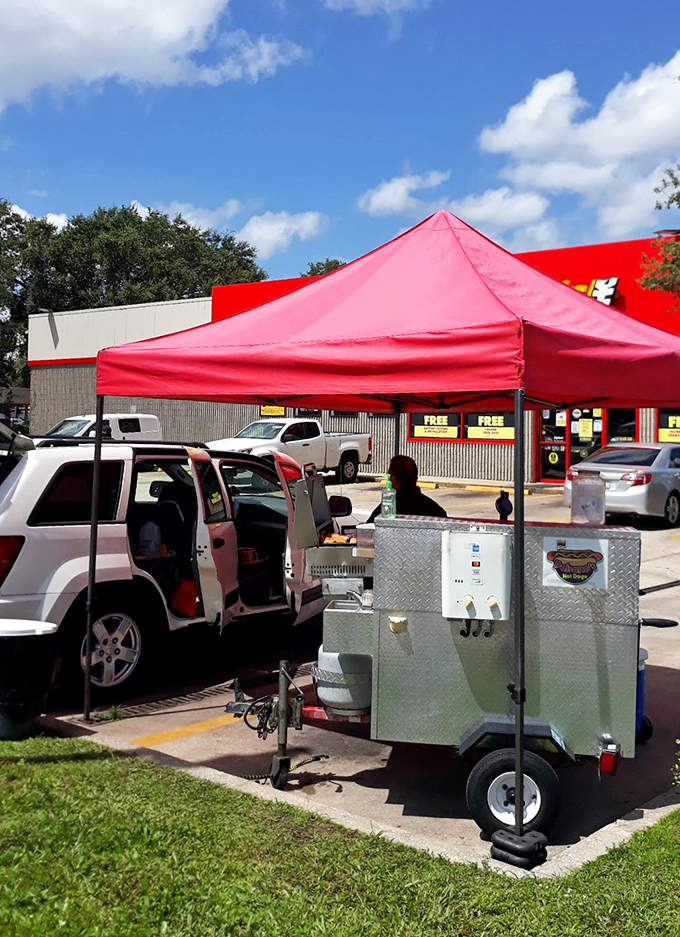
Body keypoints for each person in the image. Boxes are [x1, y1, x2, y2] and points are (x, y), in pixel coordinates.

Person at [368, 455, 447, 522]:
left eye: (389, 475)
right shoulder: (436, 510)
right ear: (415, 478)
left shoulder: (388, 509)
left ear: (393, 479)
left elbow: (368, 530)